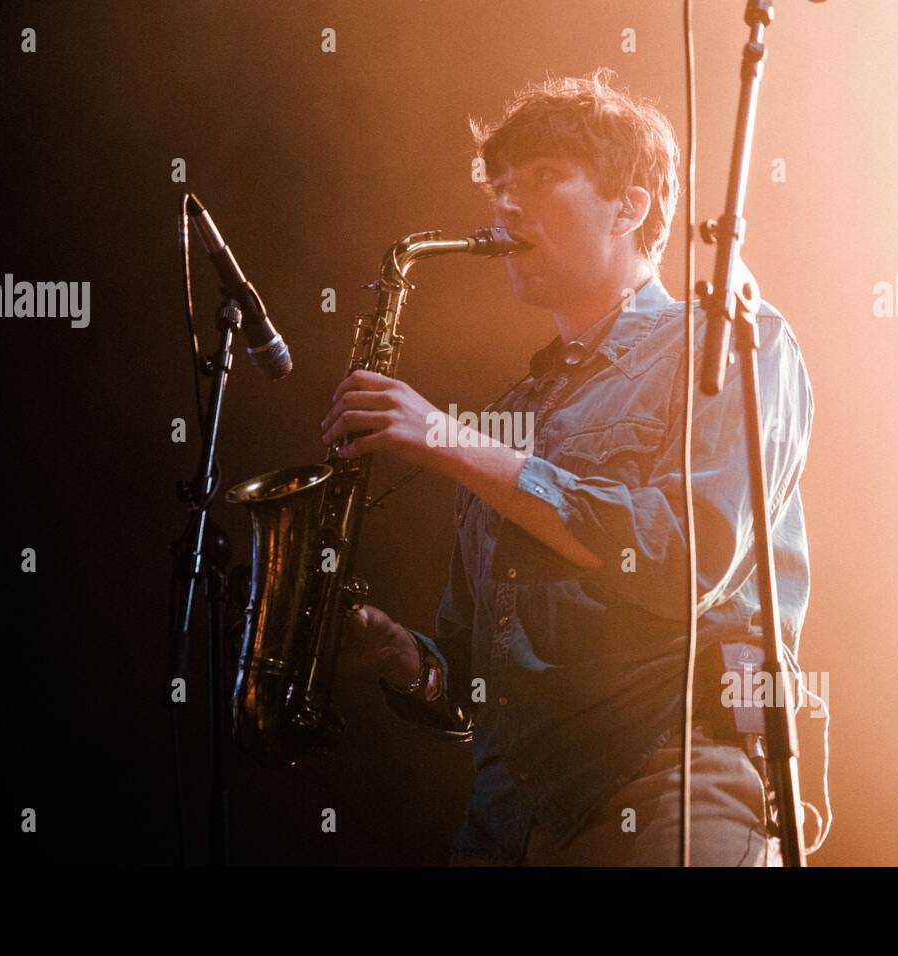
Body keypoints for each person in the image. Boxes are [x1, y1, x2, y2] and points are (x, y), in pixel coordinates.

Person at [322, 67, 813, 866]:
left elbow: (686, 555)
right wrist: (403, 660)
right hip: (504, 826)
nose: (506, 205)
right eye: (499, 186)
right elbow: (477, 684)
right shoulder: (513, 410)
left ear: (632, 206)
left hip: (663, 788)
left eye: (543, 179)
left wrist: (448, 439)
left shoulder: (724, 344)